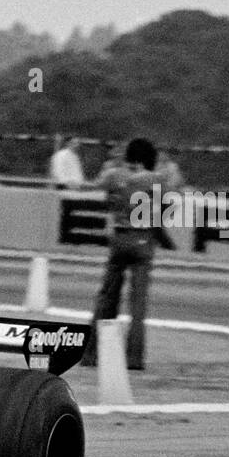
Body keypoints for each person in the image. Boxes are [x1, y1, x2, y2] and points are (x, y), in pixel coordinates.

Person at [80, 137, 184, 371]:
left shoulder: (114, 176)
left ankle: (91, 354)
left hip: (119, 238)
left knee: (106, 298)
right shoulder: (155, 180)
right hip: (143, 240)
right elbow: (173, 202)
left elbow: (106, 199)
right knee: (138, 305)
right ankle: (134, 359)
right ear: (150, 159)